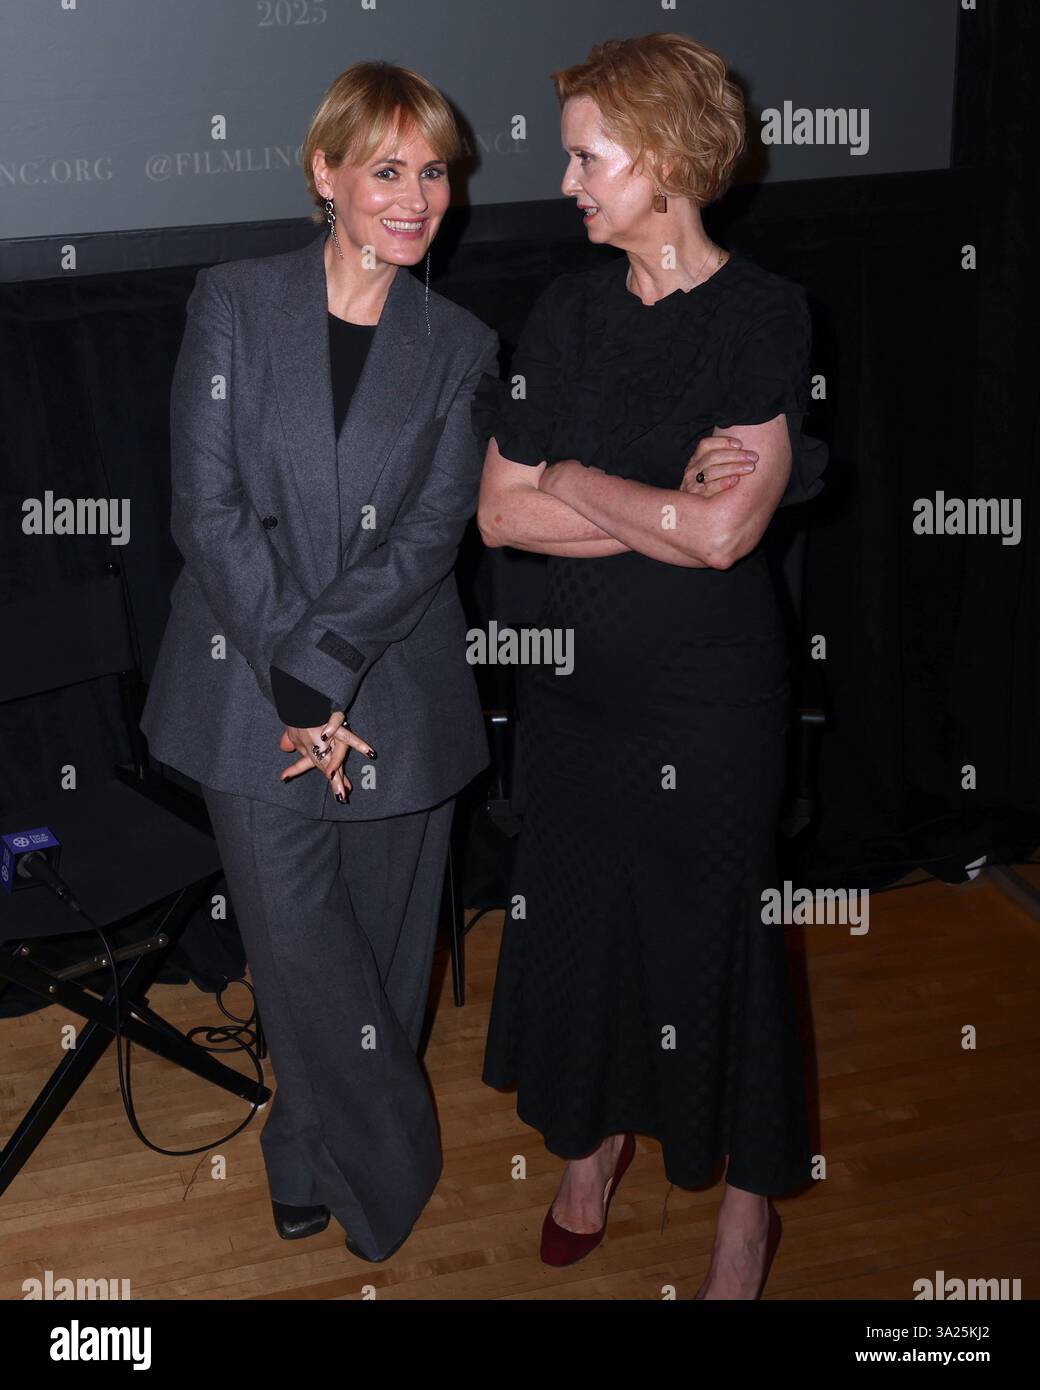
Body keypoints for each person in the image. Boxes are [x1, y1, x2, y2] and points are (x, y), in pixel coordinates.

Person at [473, 32, 827, 1298]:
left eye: (586, 157)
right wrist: (641, 501)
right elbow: (498, 516)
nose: (564, 181)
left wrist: (572, 476)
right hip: (572, 699)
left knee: (714, 941)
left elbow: (724, 533)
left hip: (707, 707)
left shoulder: (762, 313)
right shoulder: (560, 310)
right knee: (581, 928)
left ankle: (744, 1209)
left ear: (667, 159)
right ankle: (593, 1146)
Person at [140, 61, 498, 1262]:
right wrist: (298, 686)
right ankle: (393, 1178)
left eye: (433, 171)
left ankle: (304, 1151)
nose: (414, 197)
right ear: (324, 175)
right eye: (387, 169)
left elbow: (429, 534)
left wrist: (330, 674)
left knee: (389, 964)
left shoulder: (457, 341)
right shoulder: (235, 300)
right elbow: (207, 507)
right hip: (248, 695)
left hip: (394, 691)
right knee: (298, 957)